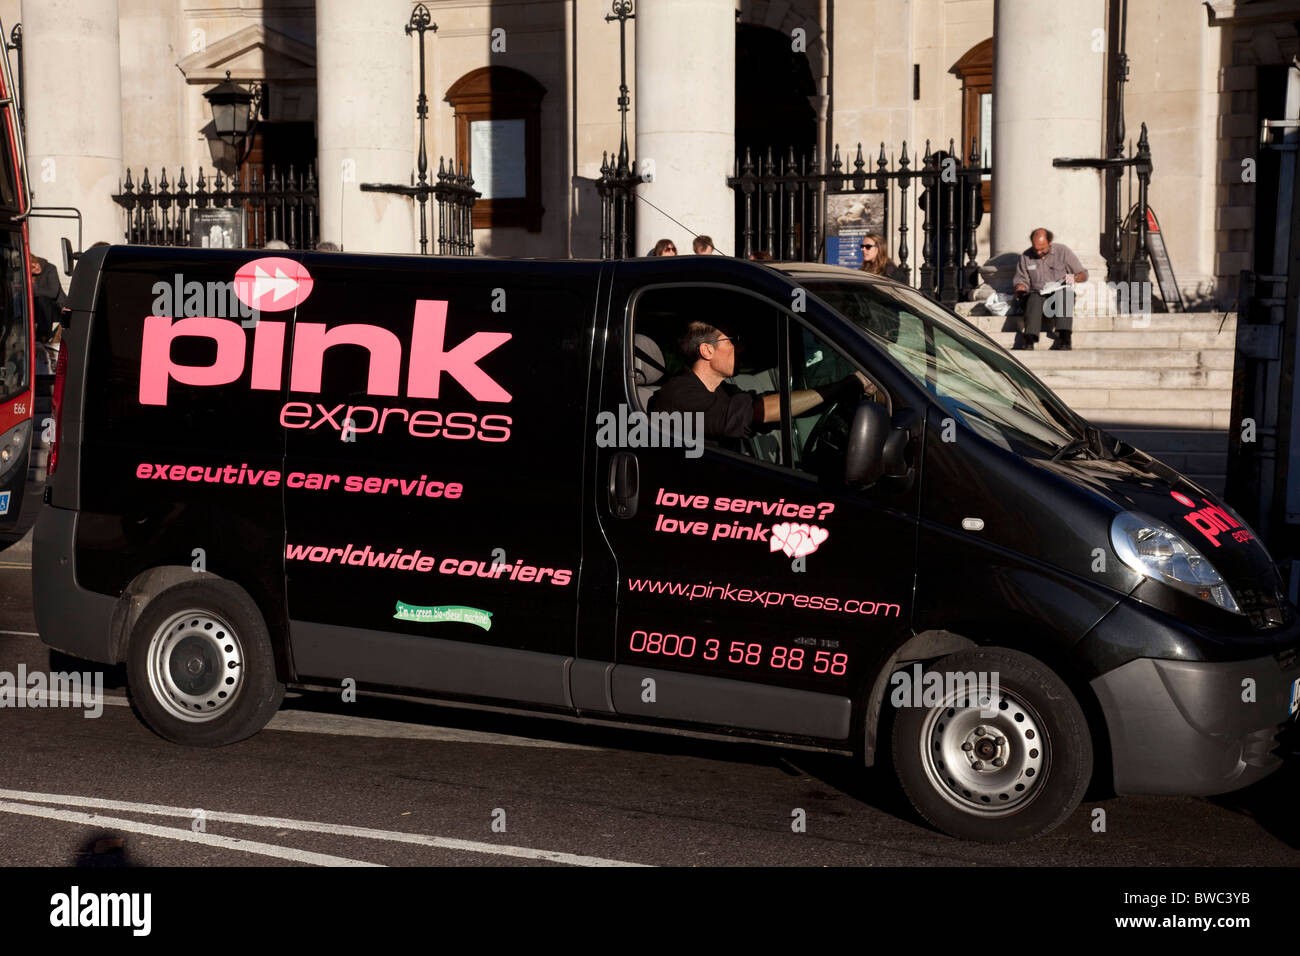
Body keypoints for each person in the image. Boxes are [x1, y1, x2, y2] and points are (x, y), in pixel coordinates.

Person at [649, 320, 874, 442]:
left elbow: (777, 410)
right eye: (732, 341)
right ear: (707, 350)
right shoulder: (679, 395)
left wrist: (842, 392)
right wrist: (847, 384)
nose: (740, 348)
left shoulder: (724, 390)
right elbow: (760, 411)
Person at [1012, 227, 1087, 351]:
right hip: (1037, 297)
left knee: (1065, 293)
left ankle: (1065, 336)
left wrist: (1075, 277)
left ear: (1050, 242)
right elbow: (1021, 279)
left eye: (1042, 249)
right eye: (1036, 249)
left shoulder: (1062, 251)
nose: (1039, 252)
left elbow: (1083, 274)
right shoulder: (1026, 256)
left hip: (1058, 296)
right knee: (1034, 296)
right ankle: (1030, 337)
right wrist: (1020, 287)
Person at [30, 255, 66, 342]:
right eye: (32, 268)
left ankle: (44, 336)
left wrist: (33, 292)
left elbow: (53, 293)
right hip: (42, 312)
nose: (36, 267)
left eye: (36, 264)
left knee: (42, 299)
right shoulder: (30, 277)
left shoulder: (50, 268)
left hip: (60, 307)